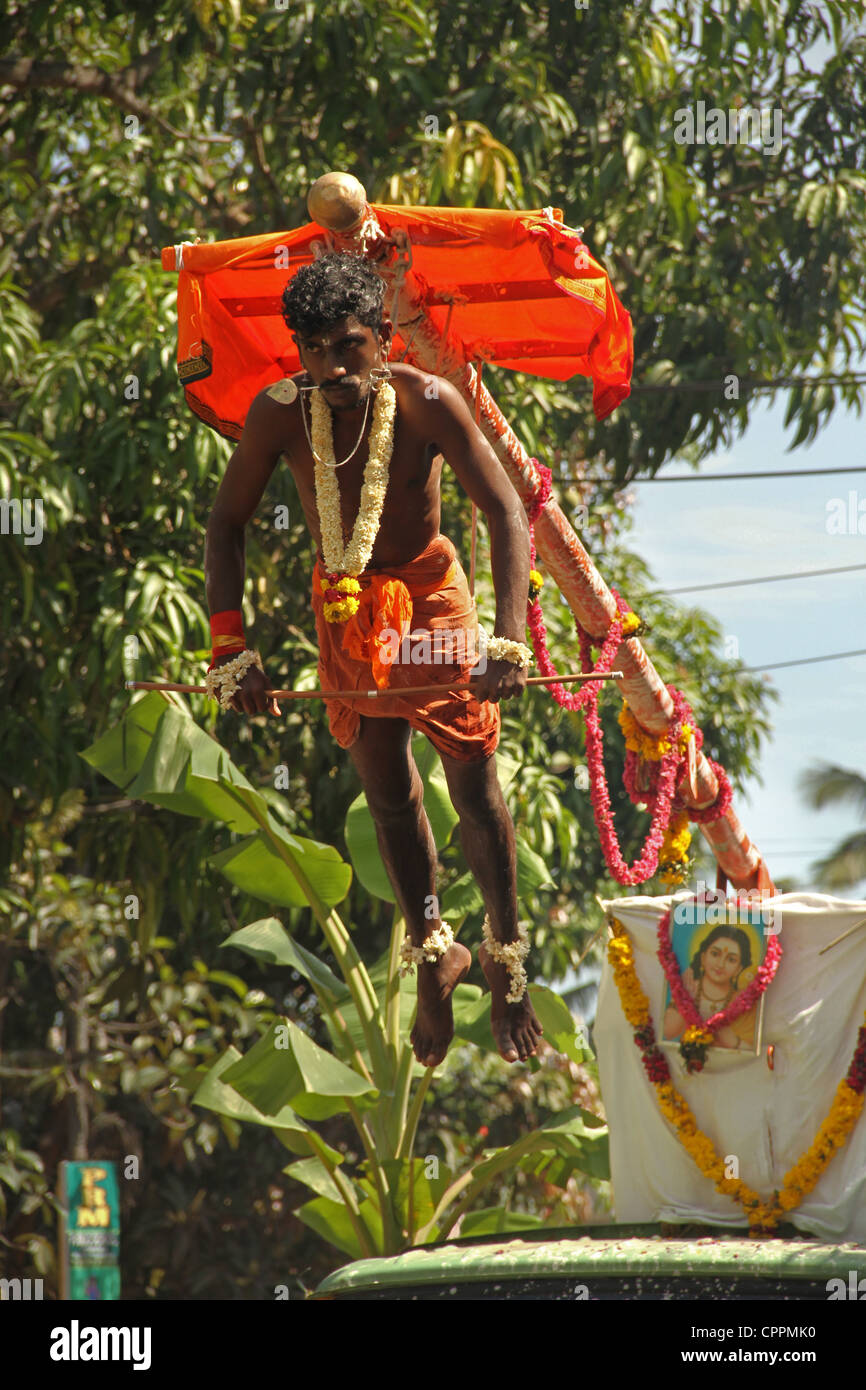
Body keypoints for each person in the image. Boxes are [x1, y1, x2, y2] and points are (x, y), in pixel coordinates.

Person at [204, 251, 544, 1070]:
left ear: (383, 336)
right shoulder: (281, 411)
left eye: (349, 346)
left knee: (472, 782)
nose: (332, 367)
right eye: (314, 350)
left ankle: (506, 958)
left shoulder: (429, 402)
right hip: (344, 607)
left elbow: (504, 511)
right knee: (387, 793)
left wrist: (506, 638)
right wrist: (230, 649)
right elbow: (226, 521)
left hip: (429, 599)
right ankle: (434, 955)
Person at [663, 925, 756, 1050]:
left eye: (731, 959)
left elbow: (754, 1055)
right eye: (715, 954)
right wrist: (683, 999)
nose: (720, 964)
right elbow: (667, 1033)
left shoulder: (744, 1002)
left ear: (738, 969)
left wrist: (733, 1042)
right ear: (703, 957)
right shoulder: (689, 988)